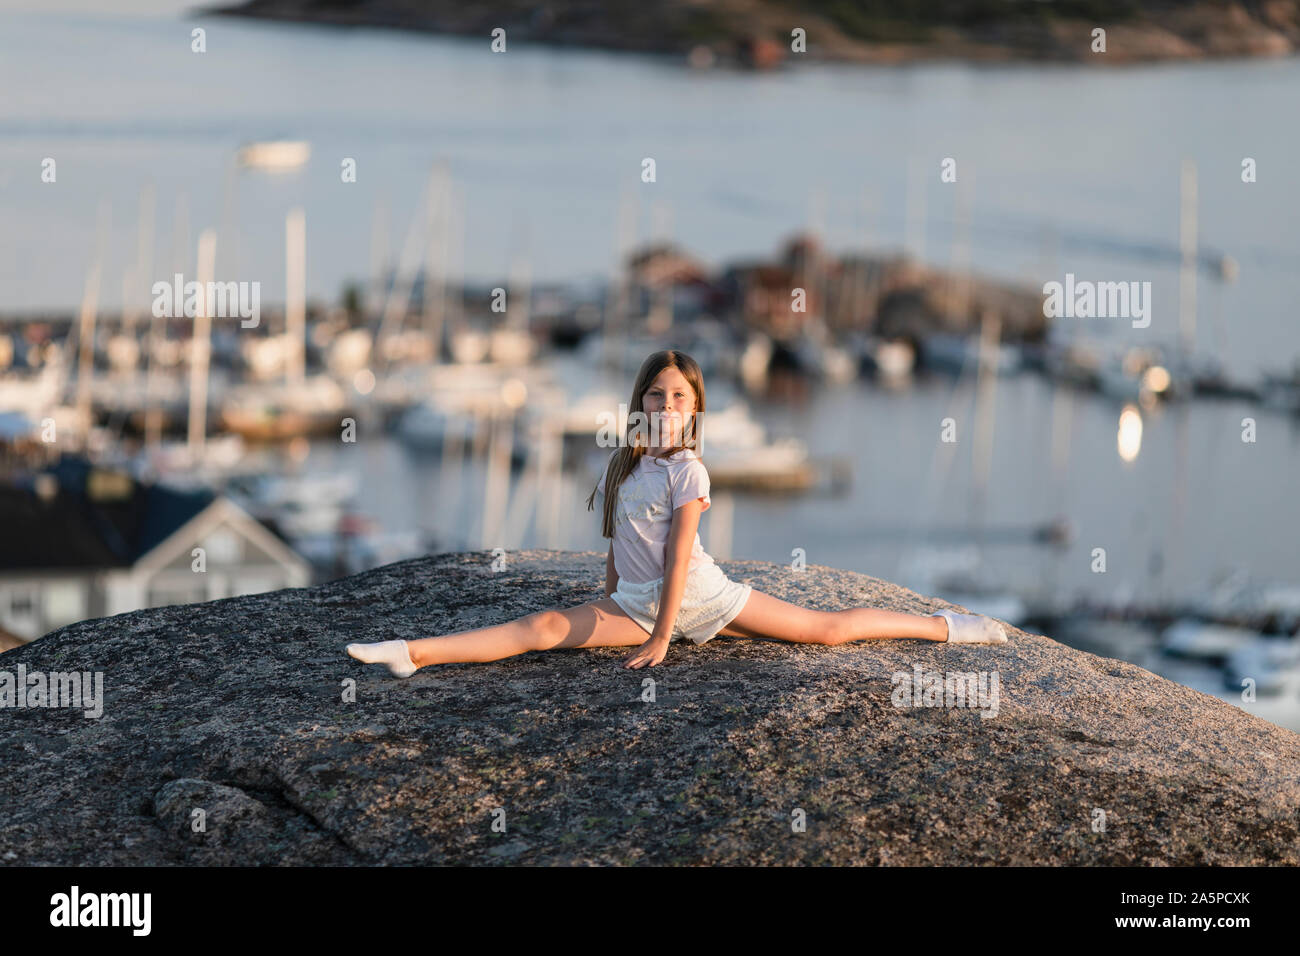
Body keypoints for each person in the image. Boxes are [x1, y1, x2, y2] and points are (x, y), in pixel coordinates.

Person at [347, 349, 1006, 677]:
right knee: (545, 626)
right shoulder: (626, 464)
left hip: (694, 596)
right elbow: (620, 546)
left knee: (828, 632)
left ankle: (947, 626)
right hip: (635, 602)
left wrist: (664, 638)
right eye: (657, 394)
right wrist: (606, 602)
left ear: (694, 408)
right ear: (643, 401)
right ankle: (412, 653)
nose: (667, 405)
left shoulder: (691, 470)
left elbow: (678, 555)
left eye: (680, 396)